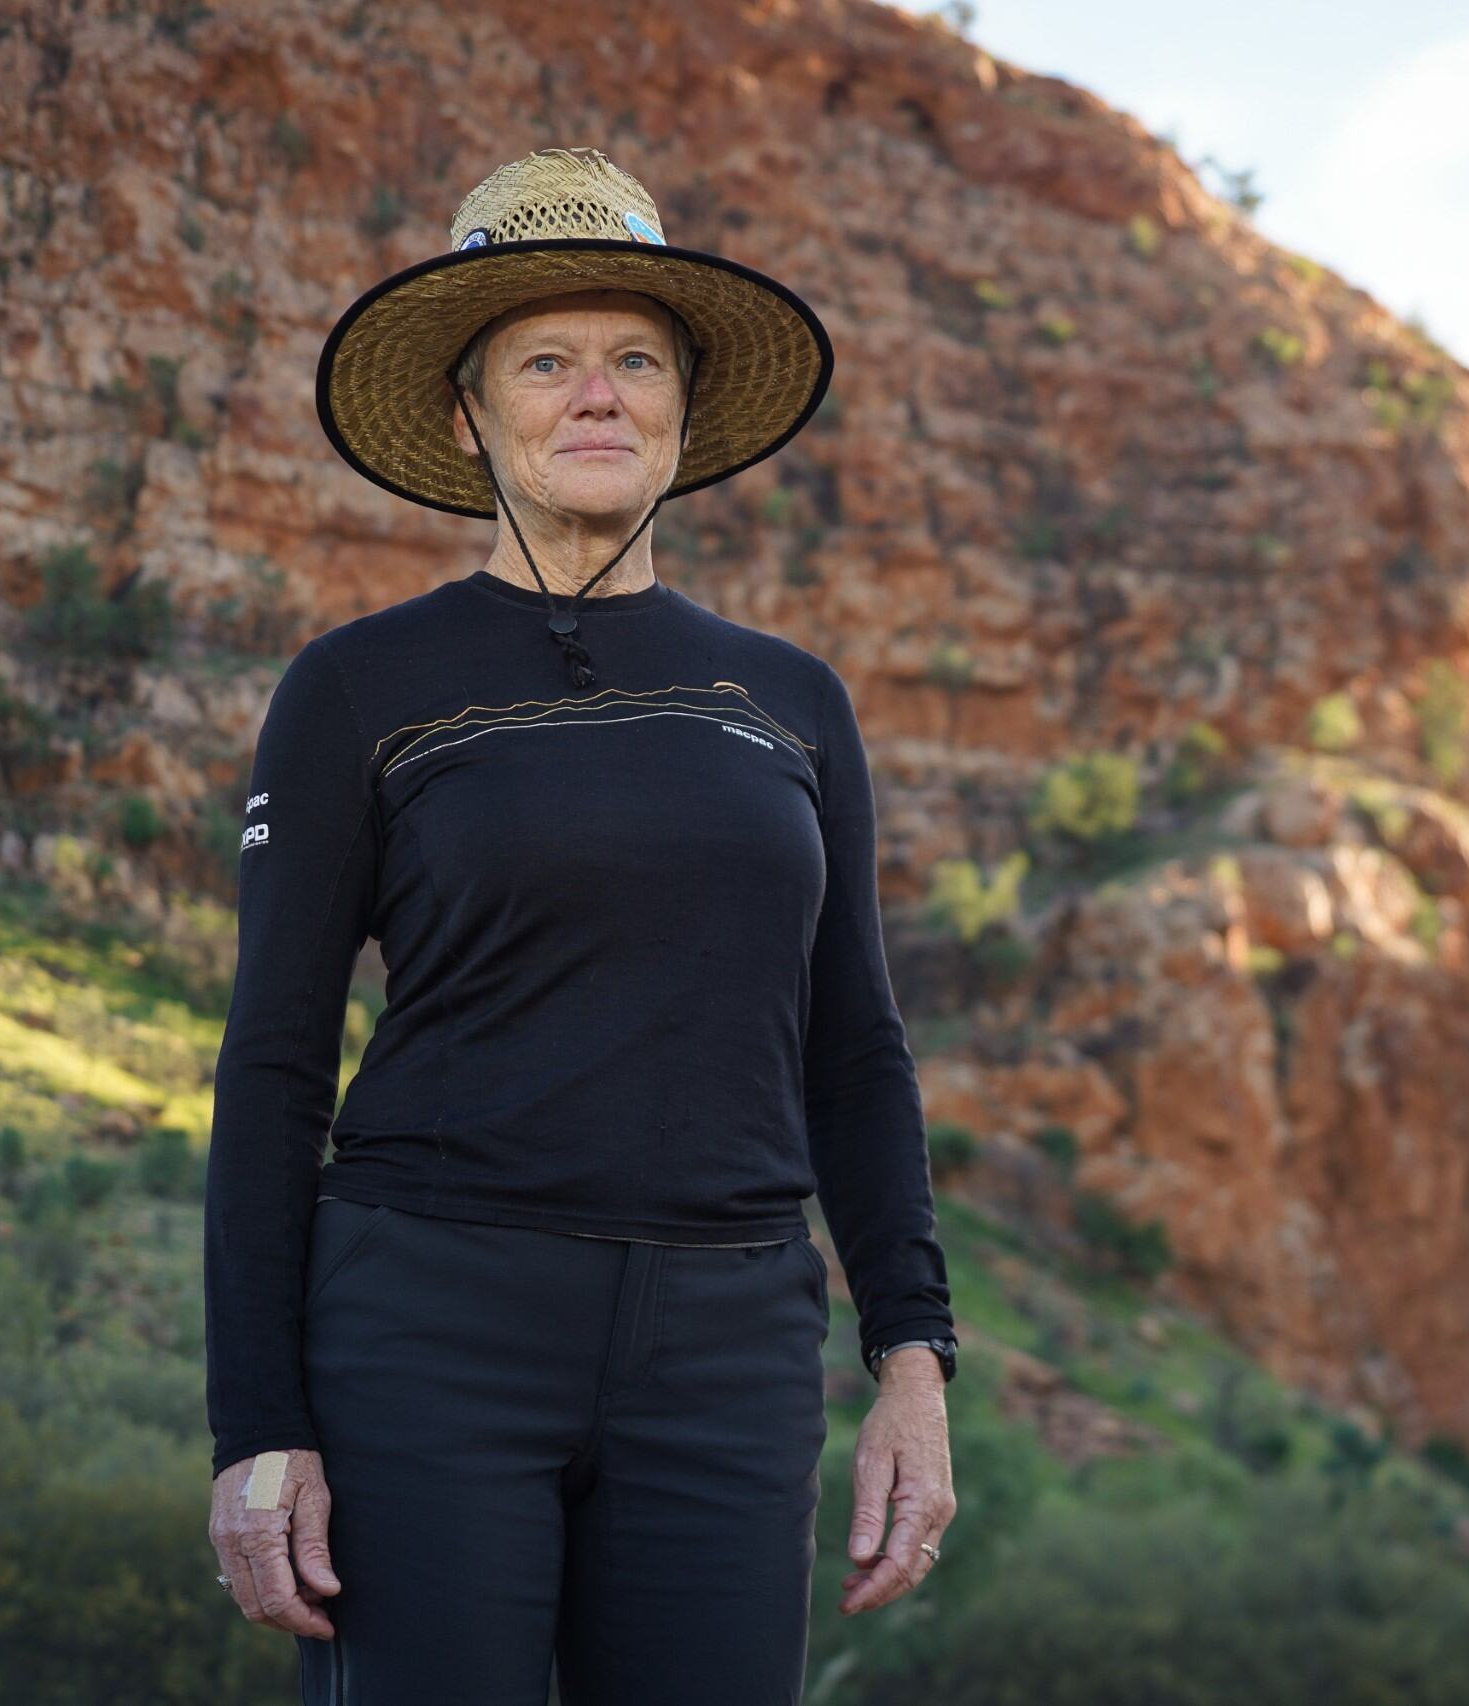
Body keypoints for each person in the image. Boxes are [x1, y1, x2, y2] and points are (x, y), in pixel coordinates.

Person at [201, 147, 960, 1704]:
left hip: (734, 1346)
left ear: (684, 406)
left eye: (633, 359)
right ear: (473, 415)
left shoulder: (797, 702)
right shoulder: (353, 687)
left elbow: (857, 1053)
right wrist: (257, 1425)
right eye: (546, 360)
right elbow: (275, 1064)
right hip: (428, 1331)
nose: (596, 394)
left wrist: (912, 1361)